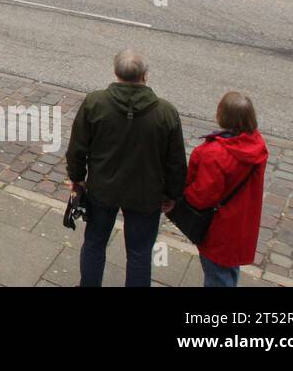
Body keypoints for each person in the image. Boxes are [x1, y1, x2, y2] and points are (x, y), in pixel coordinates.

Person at [66, 50, 187, 287]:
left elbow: (77, 148)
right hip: (146, 194)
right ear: (145, 76)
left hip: (103, 190)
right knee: (140, 253)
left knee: (94, 243)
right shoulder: (165, 112)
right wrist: (172, 194)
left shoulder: (95, 103)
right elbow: (176, 162)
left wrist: (77, 179)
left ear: (116, 73)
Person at [183, 92, 268, 287]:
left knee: (217, 277)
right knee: (230, 270)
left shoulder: (213, 154)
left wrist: (184, 194)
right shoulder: (257, 145)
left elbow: (202, 197)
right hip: (242, 224)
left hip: (219, 228)